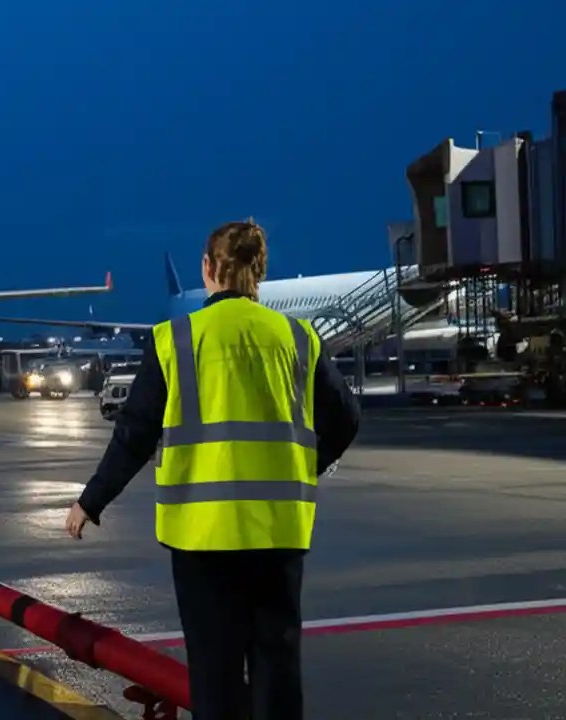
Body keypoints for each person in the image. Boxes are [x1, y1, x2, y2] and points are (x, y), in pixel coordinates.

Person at [64, 220, 360, 719]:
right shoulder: (297, 337)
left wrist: (90, 501)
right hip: (279, 529)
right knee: (278, 666)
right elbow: (346, 419)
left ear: (207, 269)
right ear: (259, 272)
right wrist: (305, 467)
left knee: (215, 669)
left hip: (204, 535)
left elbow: (133, 435)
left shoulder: (175, 339)